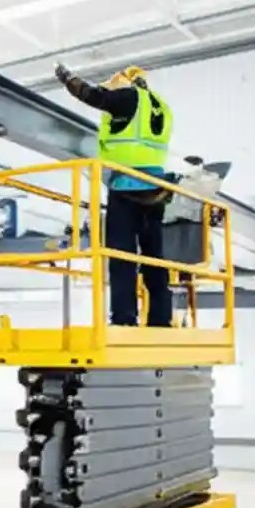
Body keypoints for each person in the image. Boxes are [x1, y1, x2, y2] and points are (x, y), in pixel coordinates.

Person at [55, 62, 176, 327]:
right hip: (155, 188)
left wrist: (67, 78)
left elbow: (93, 96)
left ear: (127, 80)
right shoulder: (161, 107)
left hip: (126, 187)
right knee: (153, 256)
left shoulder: (130, 97)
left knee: (122, 256)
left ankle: (123, 318)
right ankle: (161, 318)